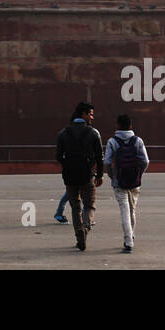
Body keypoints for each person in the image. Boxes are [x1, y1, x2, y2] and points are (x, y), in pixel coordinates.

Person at [56, 102, 103, 251]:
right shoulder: (94, 133)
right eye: (90, 114)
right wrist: (100, 175)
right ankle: (85, 228)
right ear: (83, 114)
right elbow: (99, 157)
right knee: (89, 205)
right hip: (86, 175)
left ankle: (79, 235)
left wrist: (68, 165)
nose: (92, 117)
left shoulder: (63, 133)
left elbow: (58, 156)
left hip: (69, 177)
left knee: (75, 207)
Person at [104, 113, 149, 254]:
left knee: (125, 210)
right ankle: (131, 236)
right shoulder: (138, 141)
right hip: (134, 181)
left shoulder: (112, 141)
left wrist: (113, 177)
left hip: (119, 181)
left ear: (117, 125)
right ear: (130, 126)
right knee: (132, 209)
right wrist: (139, 174)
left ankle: (128, 241)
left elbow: (106, 162)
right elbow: (145, 161)